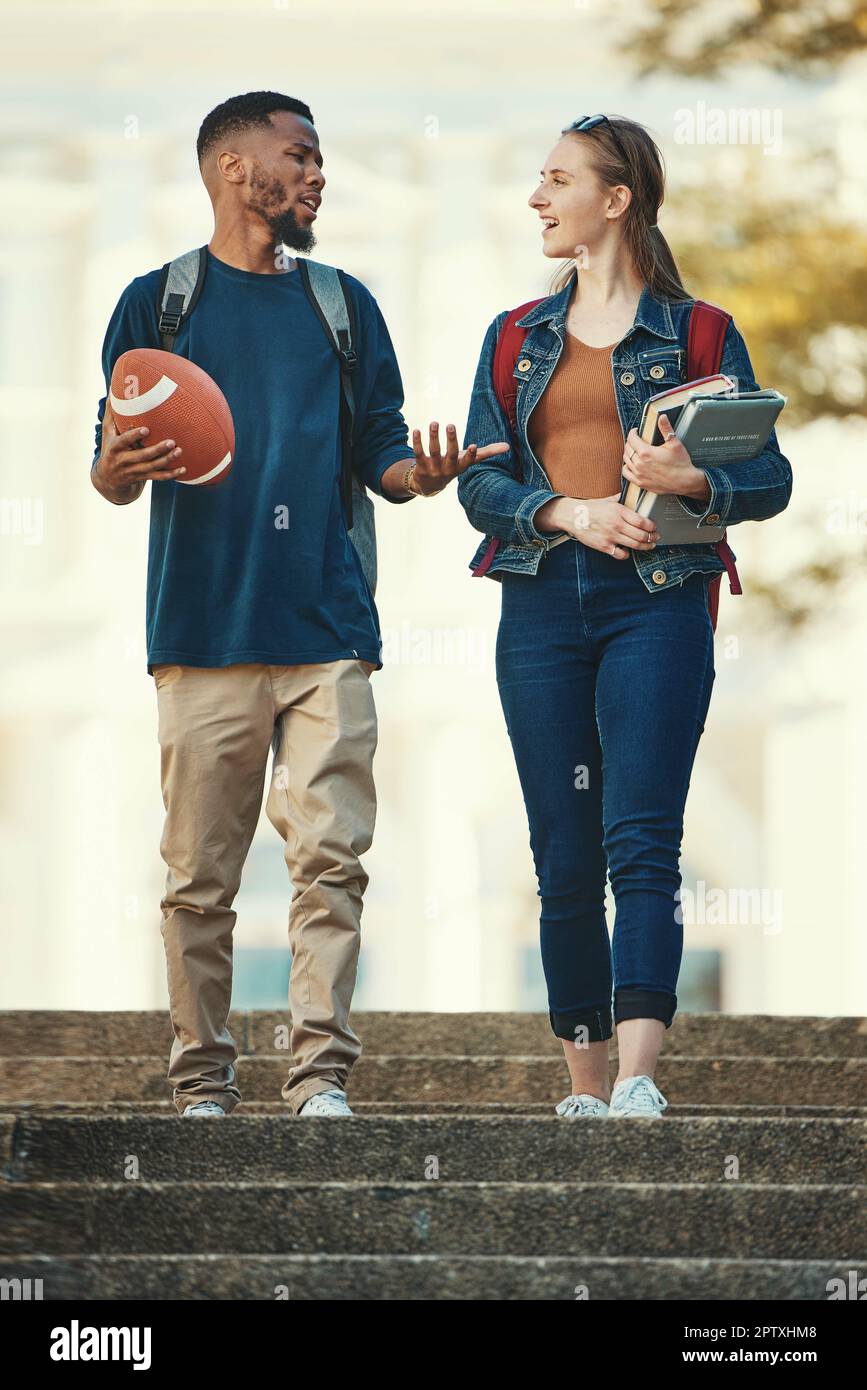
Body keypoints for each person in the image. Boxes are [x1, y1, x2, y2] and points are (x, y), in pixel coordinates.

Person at [91, 90, 506, 1119]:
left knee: (331, 861)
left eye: (319, 159)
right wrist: (109, 466)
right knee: (199, 877)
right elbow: (116, 471)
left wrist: (424, 474)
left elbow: (383, 457)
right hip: (202, 633)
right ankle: (202, 1080)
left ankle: (319, 1074)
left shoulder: (343, 305)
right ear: (235, 169)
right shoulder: (159, 306)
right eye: (300, 155)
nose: (319, 174)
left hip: (327, 632)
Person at [457, 115, 792, 1119]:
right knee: (562, 849)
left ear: (616, 200)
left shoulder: (699, 332)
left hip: (660, 605)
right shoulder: (516, 336)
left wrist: (696, 476)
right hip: (541, 603)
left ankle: (640, 1077)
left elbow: (767, 475)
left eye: (556, 179)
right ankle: (585, 1086)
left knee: (643, 836)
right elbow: (481, 484)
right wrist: (567, 508)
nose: (536, 198)